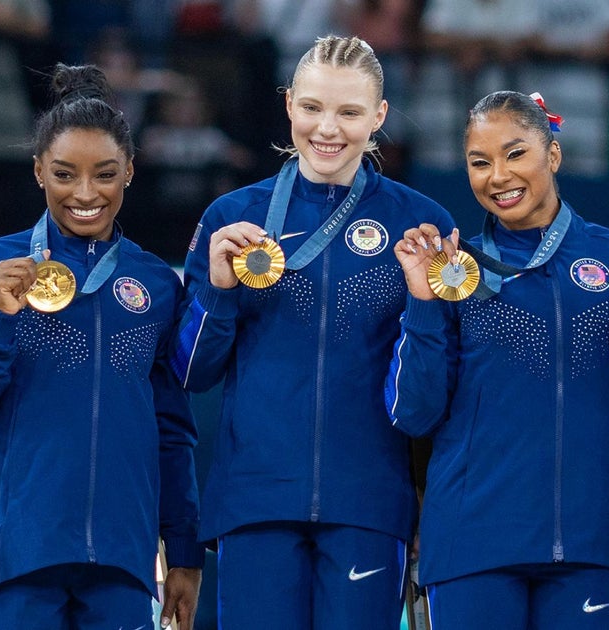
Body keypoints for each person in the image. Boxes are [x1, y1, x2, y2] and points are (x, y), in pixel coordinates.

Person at [172, 35, 454, 628]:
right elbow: (193, 373)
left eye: (350, 112)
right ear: (288, 105)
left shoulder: (421, 224)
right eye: (312, 108)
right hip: (256, 501)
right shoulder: (232, 217)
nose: (328, 128)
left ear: (378, 116)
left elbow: (431, 399)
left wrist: (425, 304)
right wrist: (220, 291)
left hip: (370, 502)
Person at [0, 63, 201, 629]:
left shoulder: (158, 283)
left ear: (130, 172)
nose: (85, 194)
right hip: (20, 554)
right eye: (64, 174)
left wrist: (183, 551)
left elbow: (172, 427)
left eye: (105, 174)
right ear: (39, 171)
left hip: (123, 558)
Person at [385, 90, 609, 629]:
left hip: (589, 545)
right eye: (480, 163)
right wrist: (424, 302)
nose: (498, 176)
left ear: (553, 155)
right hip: (471, 546)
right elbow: (415, 412)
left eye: (515, 153)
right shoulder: (452, 270)